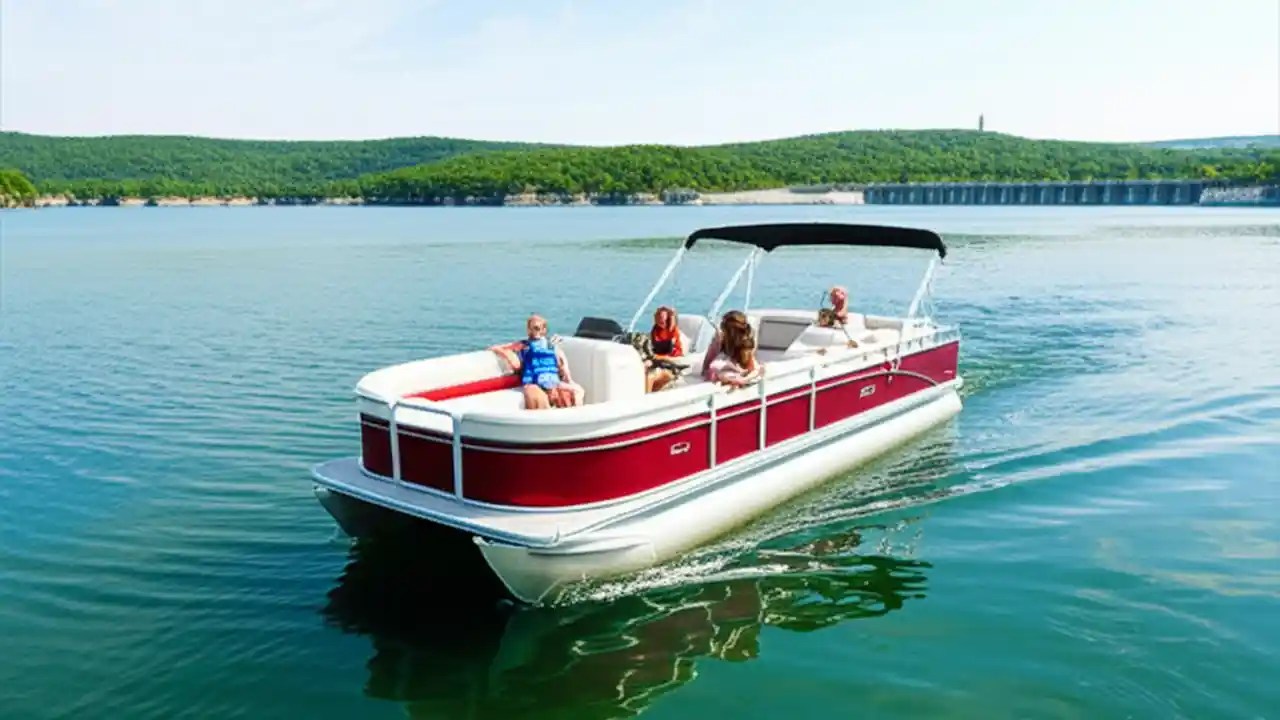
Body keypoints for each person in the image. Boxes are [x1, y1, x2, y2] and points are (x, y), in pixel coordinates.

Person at [490, 315, 584, 409]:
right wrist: (498, 350)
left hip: (554, 381)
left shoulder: (551, 346)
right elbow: (510, 355)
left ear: (544, 330)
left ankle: (576, 416)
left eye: (537, 328)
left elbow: (561, 363)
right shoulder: (524, 345)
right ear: (528, 330)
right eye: (531, 329)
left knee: (579, 391)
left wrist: (568, 379)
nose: (534, 332)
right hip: (536, 381)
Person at [701, 310, 763, 388]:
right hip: (728, 372)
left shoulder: (745, 346)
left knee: (719, 370)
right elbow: (706, 367)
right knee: (716, 368)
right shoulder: (720, 342)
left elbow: (751, 369)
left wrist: (739, 378)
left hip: (739, 372)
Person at [645, 305, 684, 392]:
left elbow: (669, 350)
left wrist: (657, 357)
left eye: (662, 317)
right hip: (658, 358)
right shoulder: (655, 330)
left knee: (650, 375)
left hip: (670, 361)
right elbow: (655, 347)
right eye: (658, 317)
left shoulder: (673, 331)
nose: (660, 319)